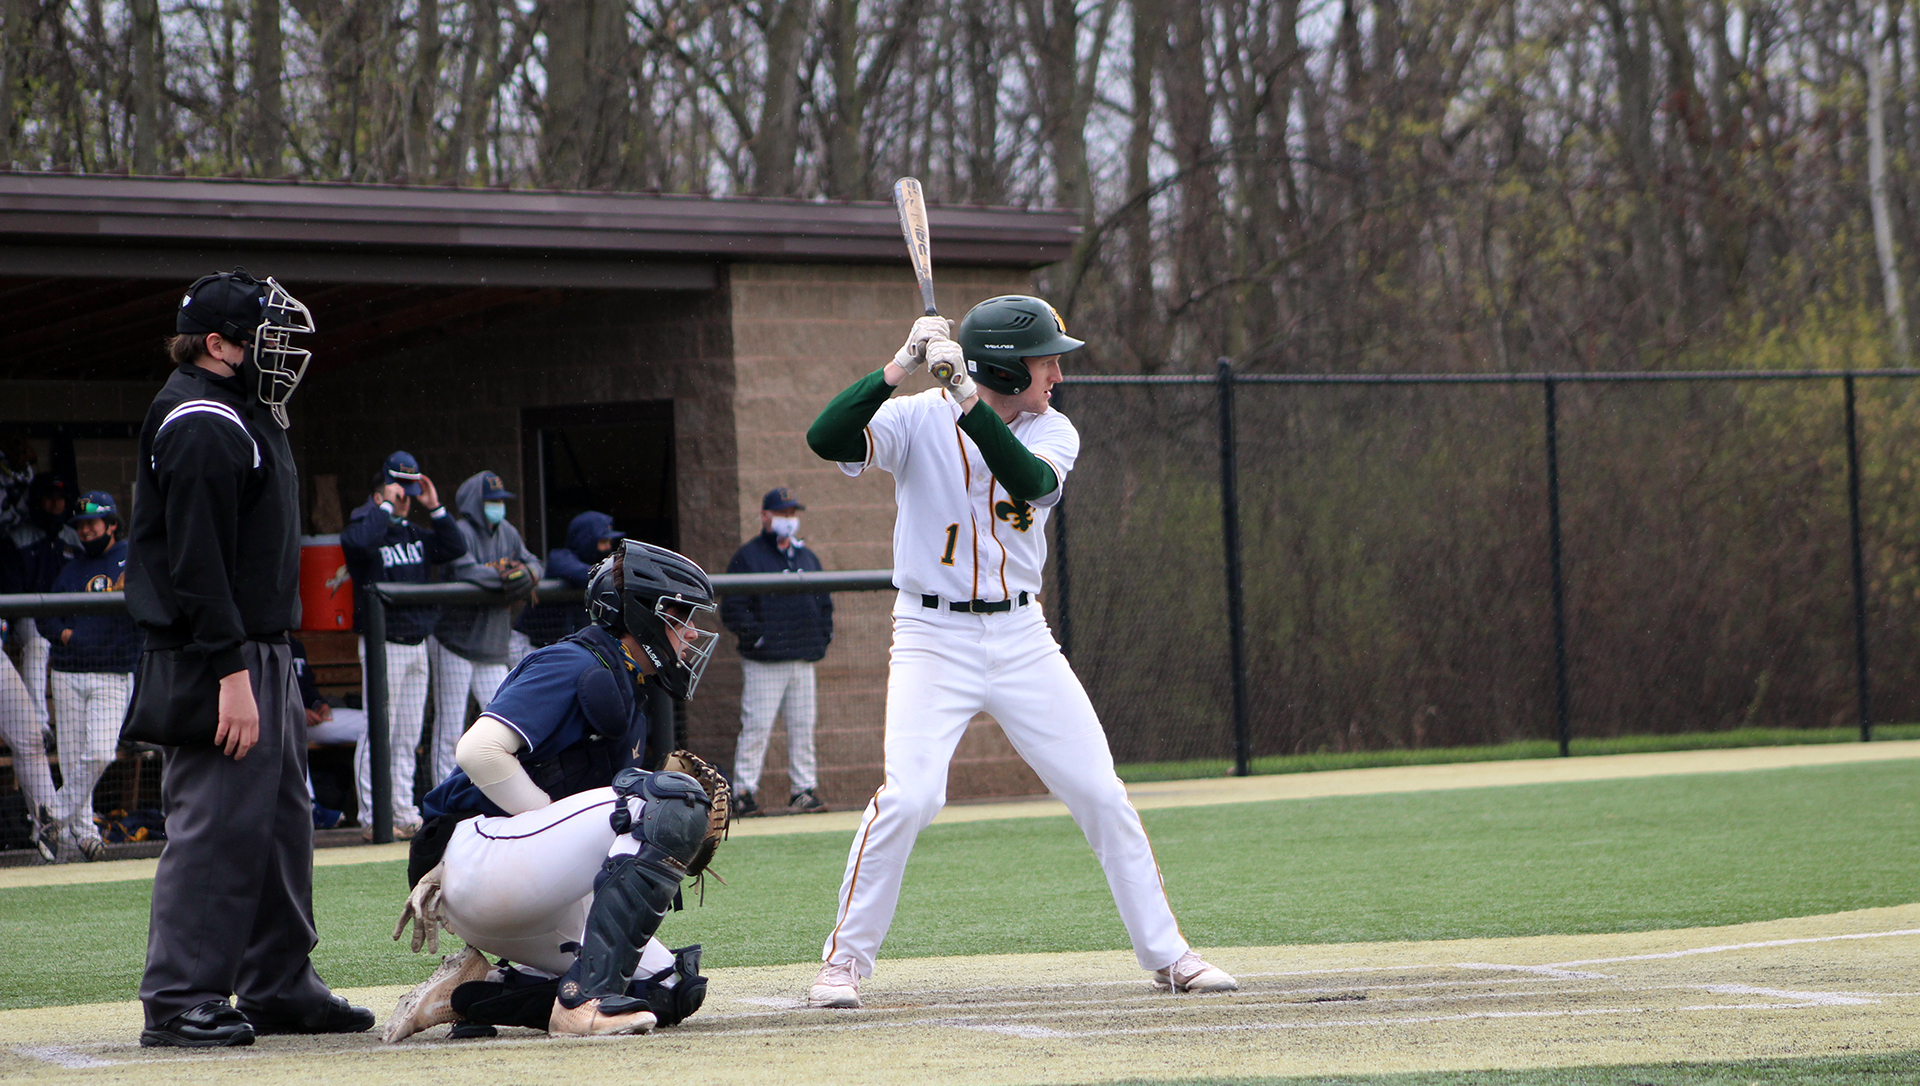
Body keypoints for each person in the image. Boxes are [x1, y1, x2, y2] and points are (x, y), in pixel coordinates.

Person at [800, 295, 1238, 1008]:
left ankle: (1169, 956)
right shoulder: (916, 418)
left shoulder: (1053, 428)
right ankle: (843, 963)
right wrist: (899, 366)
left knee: (1101, 792)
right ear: (1007, 367)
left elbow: (1029, 481)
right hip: (931, 636)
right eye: (1044, 362)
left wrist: (969, 398)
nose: (1057, 375)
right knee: (910, 798)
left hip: (1021, 635)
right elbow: (825, 437)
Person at [125, 268, 372, 1046]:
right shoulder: (201, 420)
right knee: (218, 826)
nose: (282, 351)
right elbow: (196, 566)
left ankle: (278, 984)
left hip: (260, 649)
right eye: (265, 337)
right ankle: (179, 998)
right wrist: (233, 673)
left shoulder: (243, 409)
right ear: (218, 344)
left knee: (279, 825)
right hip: (215, 657)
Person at [383, 540, 723, 1041]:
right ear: (640, 615)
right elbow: (478, 750)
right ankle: (583, 1003)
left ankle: (467, 993)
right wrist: (556, 818)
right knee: (671, 799)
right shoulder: (573, 662)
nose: (691, 630)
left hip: (522, 881)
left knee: (669, 989)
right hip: (472, 858)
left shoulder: (627, 684)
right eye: (679, 615)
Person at [339, 451, 467, 838]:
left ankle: (401, 810)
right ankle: (372, 816)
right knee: (380, 730)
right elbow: (357, 544)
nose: (406, 502)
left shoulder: (414, 532)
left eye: (409, 496)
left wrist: (436, 507)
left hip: (417, 643)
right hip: (384, 645)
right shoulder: (366, 522)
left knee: (409, 735)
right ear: (382, 492)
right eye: (400, 494)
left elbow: (455, 547)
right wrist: (384, 506)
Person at [35, 491, 140, 862]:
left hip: (113, 672)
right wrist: (66, 635)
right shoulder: (71, 567)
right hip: (68, 673)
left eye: (92, 524)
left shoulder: (133, 557)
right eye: (80, 526)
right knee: (71, 760)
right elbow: (45, 615)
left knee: (99, 753)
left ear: (111, 524)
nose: (85, 531)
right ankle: (85, 835)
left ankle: (52, 815)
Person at [721, 486, 832, 817]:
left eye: (792, 513)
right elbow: (733, 608)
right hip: (765, 662)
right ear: (765, 516)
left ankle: (803, 790)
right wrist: (759, 639)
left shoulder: (806, 557)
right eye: (782, 513)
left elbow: (824, 602)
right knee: (757, 727)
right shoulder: (748, 556)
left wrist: (822, 637)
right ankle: (743, 793)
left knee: (803, 728)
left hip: (802, 658)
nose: (789, 519)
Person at [429, 471, 542, 786]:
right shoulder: (460, 531)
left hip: (493, 648)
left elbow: (535, 563)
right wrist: (502, 577)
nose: (497, 506)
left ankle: (497, 793)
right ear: (475, 503)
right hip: (455, 644)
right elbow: (464, 570)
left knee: (506, 724)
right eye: (491, 501)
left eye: (500, 501)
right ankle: (442, 797)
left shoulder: (507, 532)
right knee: (450, 729)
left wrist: (528, 573)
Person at [512, 510, 623, 659]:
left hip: (558, 650)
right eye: (603, 542)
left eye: (609, 542)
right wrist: (614, 574)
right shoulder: (559, 559)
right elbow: (585, 574)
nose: (608, 548)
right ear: (586, 540)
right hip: (528, 644)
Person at [289, 635, 368, 829]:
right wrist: (296, 710)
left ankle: (379, 803)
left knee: (370, 723)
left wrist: (319, 703)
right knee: (288, 728)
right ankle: (309, 807)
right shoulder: (259, 644)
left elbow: (307, 687)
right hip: (282, 719)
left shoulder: (295, 645)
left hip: (311, 722)